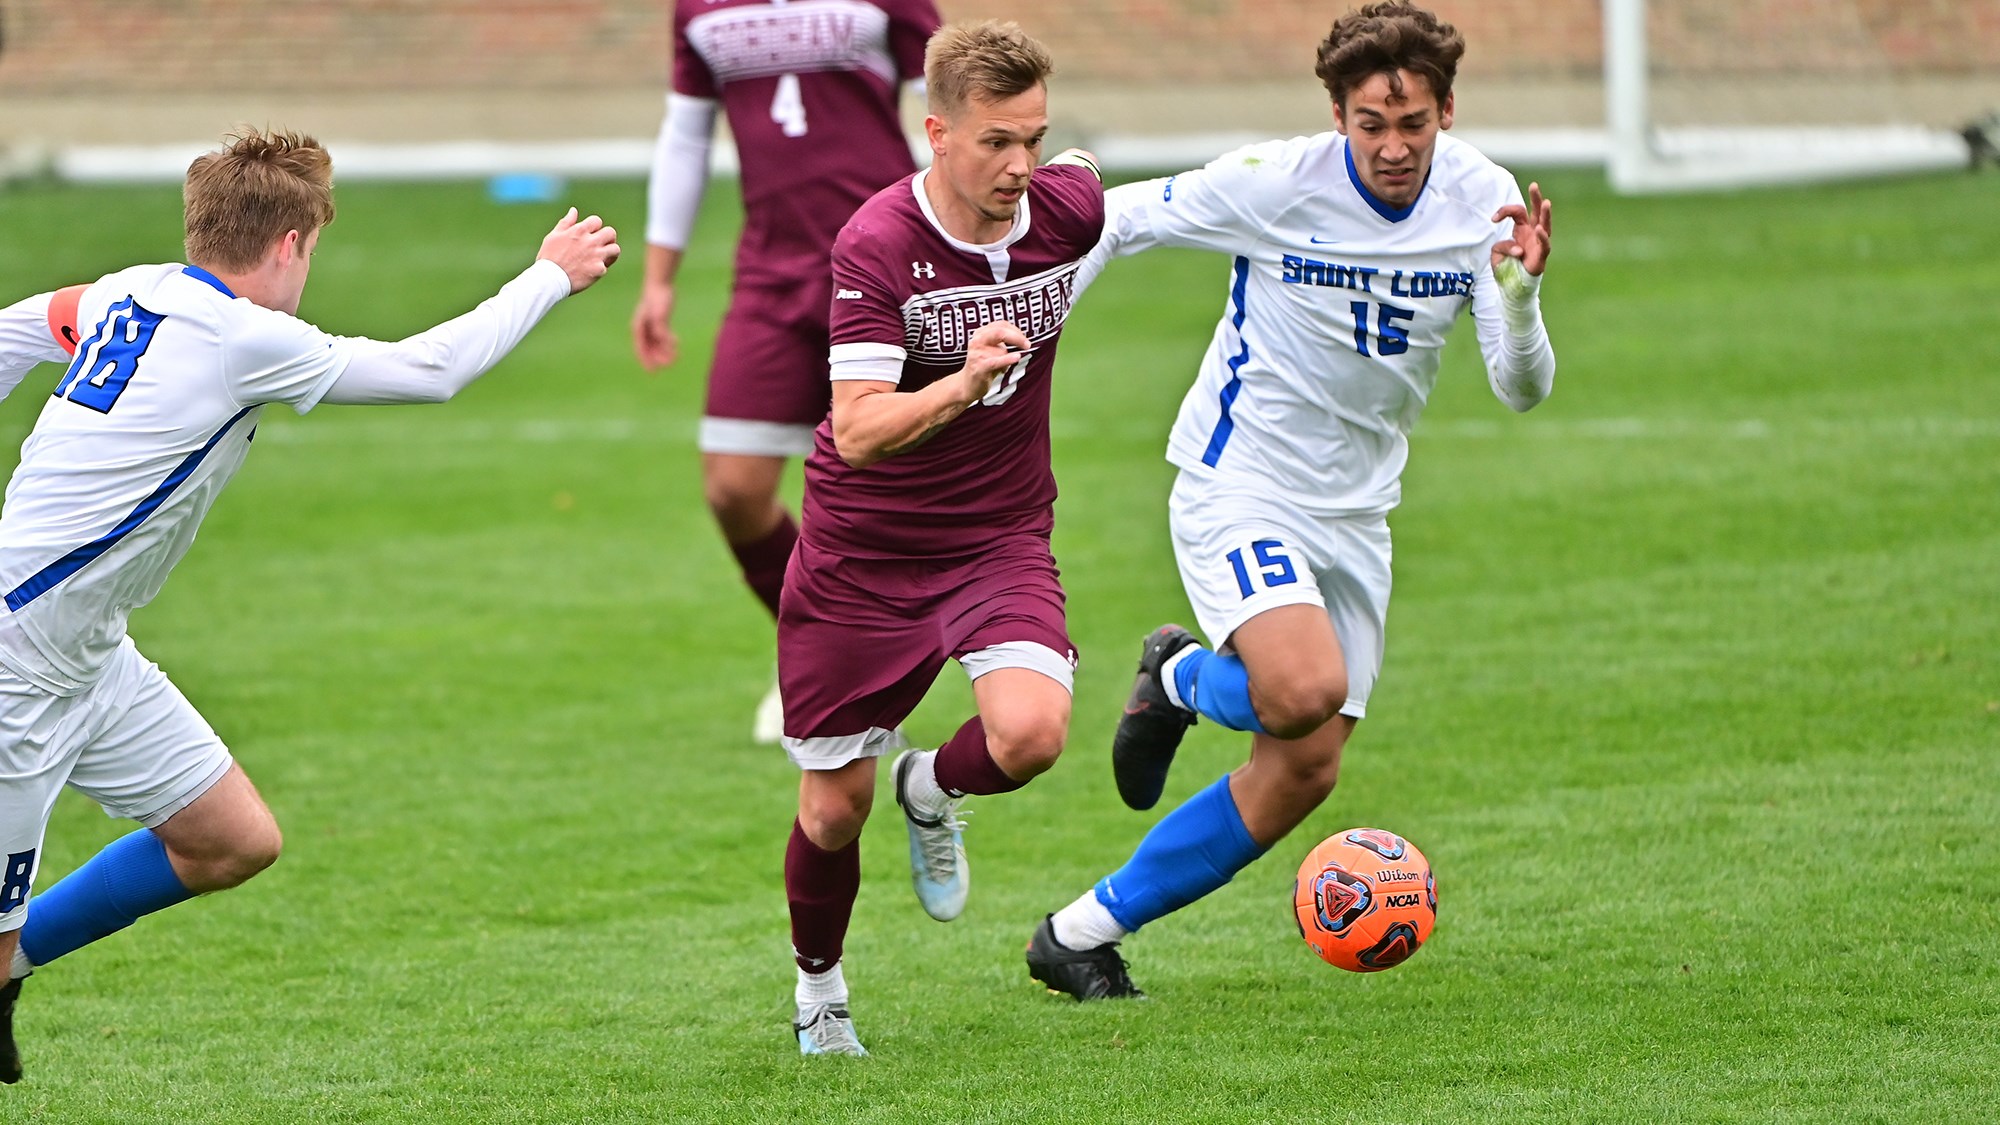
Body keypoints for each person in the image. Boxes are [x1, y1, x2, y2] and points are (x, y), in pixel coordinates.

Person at [0, 129, 619, 1082]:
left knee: (231, 840)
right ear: (290, 244)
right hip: (15, 671)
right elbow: (431, 371)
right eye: (313, 251)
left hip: (91, 654)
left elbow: (14, 330)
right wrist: (548, 275)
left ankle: (10, 969)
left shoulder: (131, 289)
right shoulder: (242, 335)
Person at [1025, 1, 1557, 1000]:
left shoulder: (1479, 201)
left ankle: (1075, 935)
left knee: (1303, 769)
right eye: (1369, 123)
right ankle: (1182, 674)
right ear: (1335, 112)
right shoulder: (1273, 182)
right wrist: (1034, 333)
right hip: (1241, 483)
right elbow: (1115, 220)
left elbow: (1518, 386)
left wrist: (1519, 295)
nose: (1392, 146)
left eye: (1413, 123)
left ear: (1447, 109)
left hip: (1355, 511)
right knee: (1303, 692)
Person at [776, 20, 1104, 1055]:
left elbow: (1107, 191)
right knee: (831, 812)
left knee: (1031, 734)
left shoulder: (1068, 208)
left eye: (1033, 139)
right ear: (934, 134)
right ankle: (819, 992)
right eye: (995, 142)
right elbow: (861, 426)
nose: (1020, 167)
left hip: (998, 534)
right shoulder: (877, 245)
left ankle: (931, 786)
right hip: (862, 555)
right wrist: (961, 382)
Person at [631, 0, 943, 744]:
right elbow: (685, 134)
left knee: (898, 496)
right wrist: (659, 277)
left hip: (886, 264)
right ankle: (814, 649)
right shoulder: (698, 10)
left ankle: (889, 663)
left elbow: (952, 106)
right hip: (770, 275)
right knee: (734, 489)